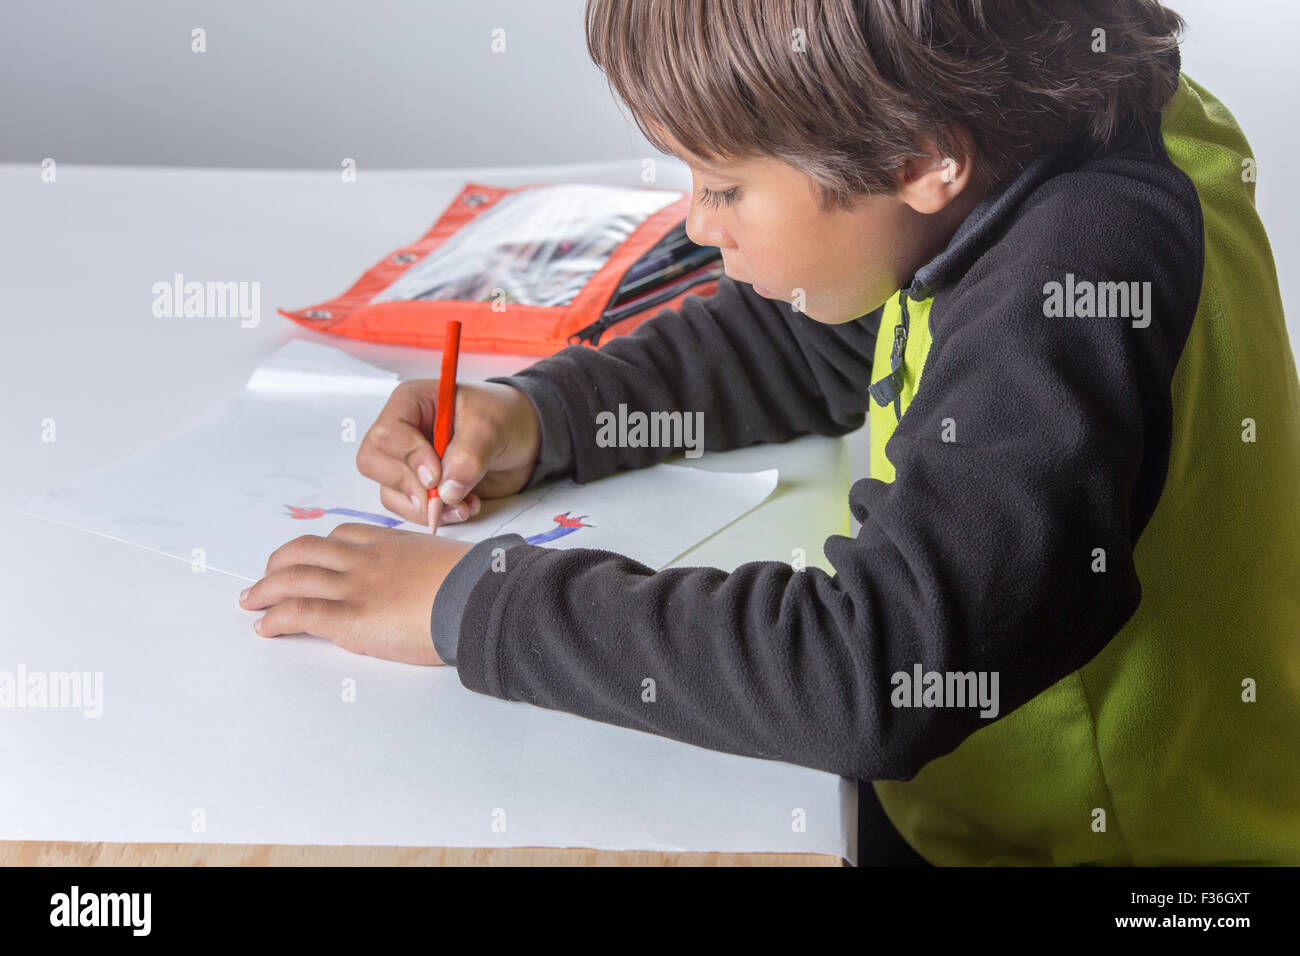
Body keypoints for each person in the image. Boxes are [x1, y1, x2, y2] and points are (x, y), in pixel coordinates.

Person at [239, 0, 1300, 865]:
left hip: (1101, 848)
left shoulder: (1077, 272)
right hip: (980, 794)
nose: (698, 226)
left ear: (921, 160)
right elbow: (836, 341)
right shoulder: (1048, 113)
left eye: (724, 187)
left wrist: (468, 602)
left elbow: (877, 669)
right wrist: (544, 413)